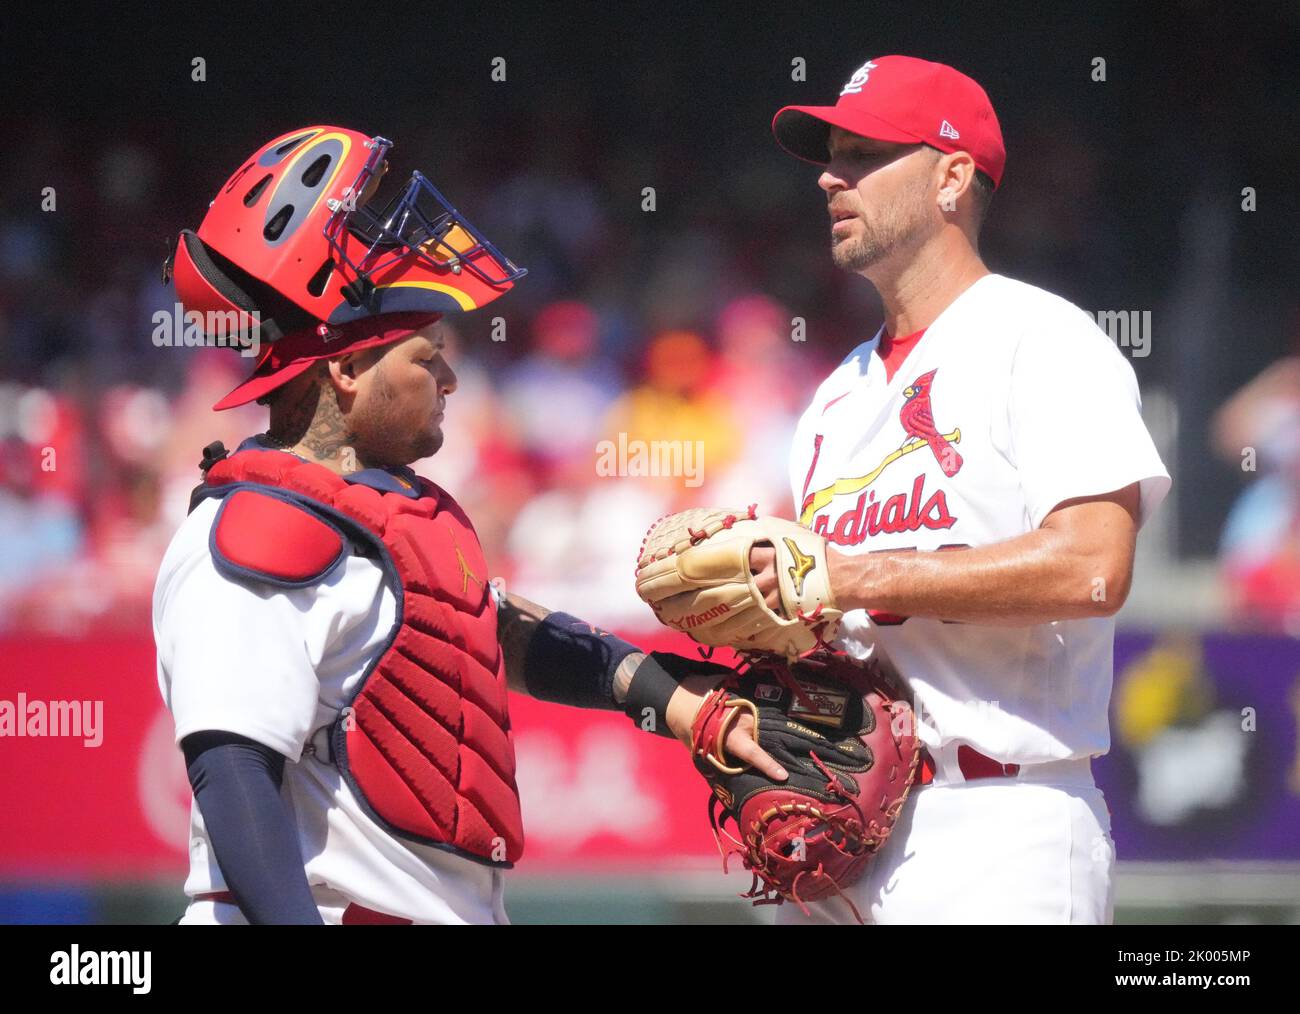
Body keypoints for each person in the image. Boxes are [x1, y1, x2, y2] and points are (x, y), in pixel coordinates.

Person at [154, 125, 778, 925]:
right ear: (343, 369)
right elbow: (231, 768)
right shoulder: (257, 531)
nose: (450, 377)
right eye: (428, 356)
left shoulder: (384, 516)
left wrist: (673, 697)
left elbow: (473, 625)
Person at [747, 55, 1171, 923]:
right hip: (843, 826)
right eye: (831, 153)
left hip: (1000, 825)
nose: (832, 175)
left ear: (951, 177)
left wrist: (858, 575)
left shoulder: (1040, 339)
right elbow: (837, 610)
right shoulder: (832, 396)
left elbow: (1095, 569)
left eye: (864, 153)